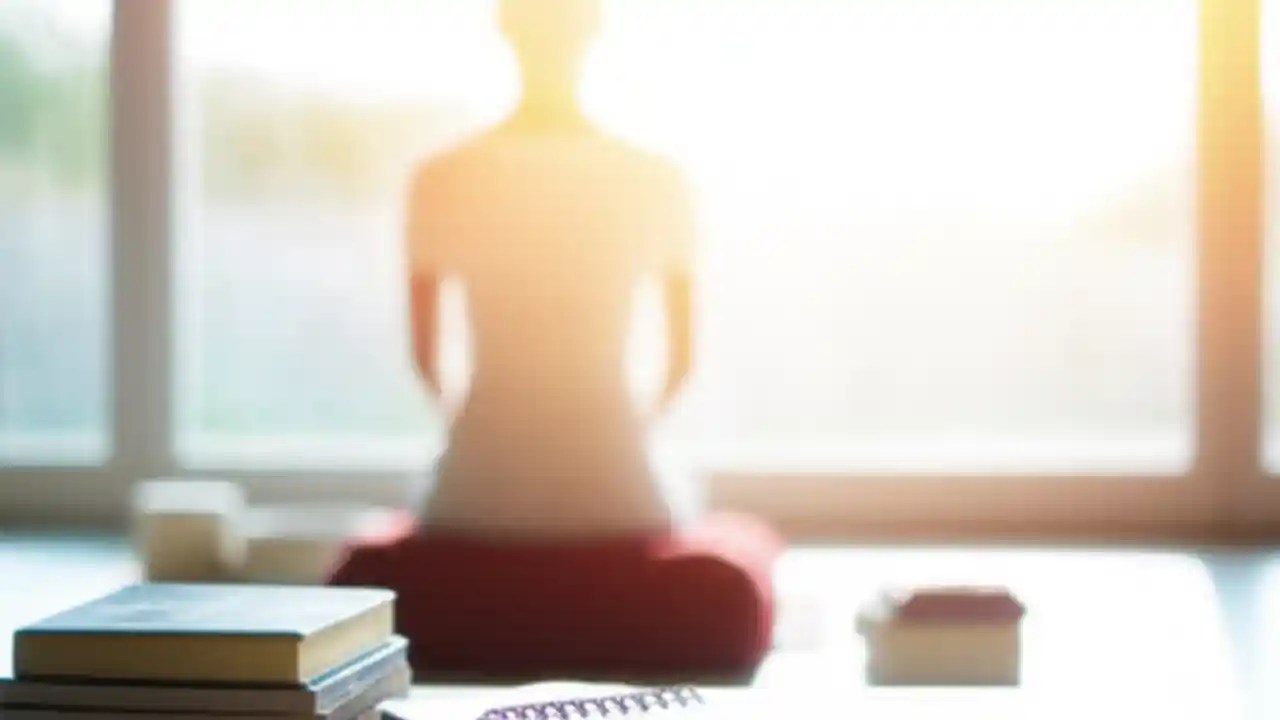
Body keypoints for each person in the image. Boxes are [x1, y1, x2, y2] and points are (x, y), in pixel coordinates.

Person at [405, 0, 699, 537]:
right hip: (619, 493)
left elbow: (424, 361)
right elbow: (681, 365)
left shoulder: (442, 176)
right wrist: (621, 437)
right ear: (594, 27)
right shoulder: (657, 178)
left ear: (504, 26)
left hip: (477, 494)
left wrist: (482, 434)